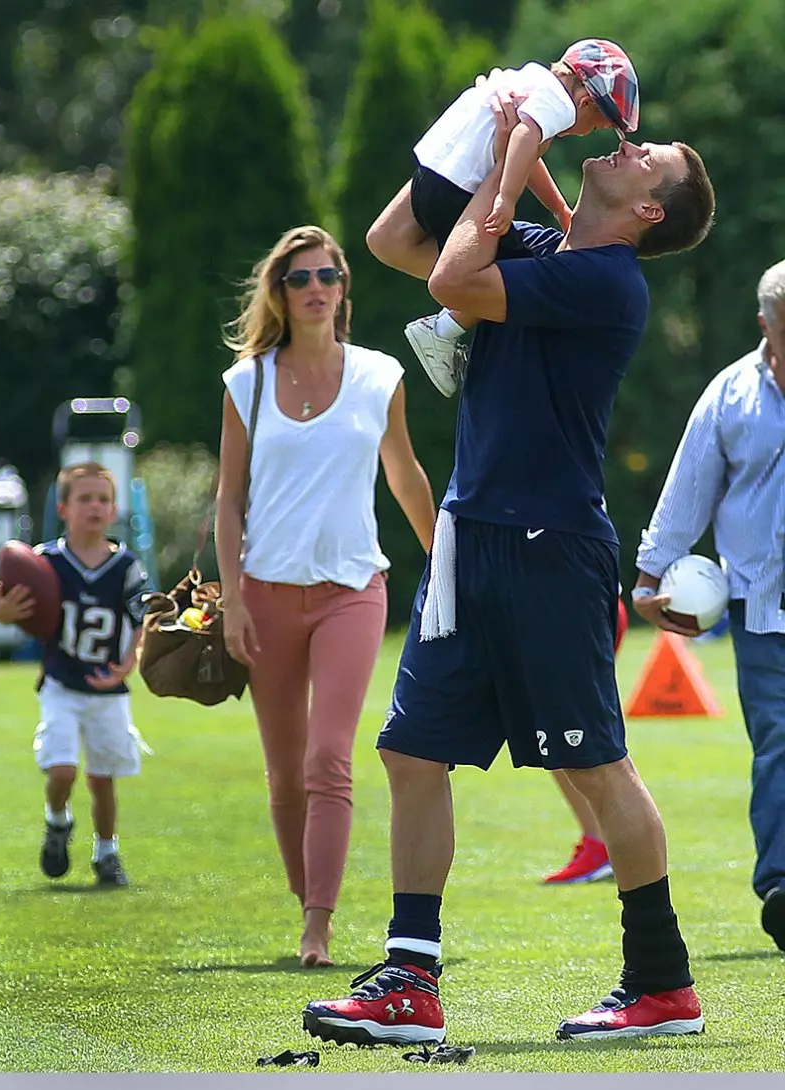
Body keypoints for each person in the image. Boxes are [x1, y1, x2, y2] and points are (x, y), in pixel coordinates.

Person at [303, 103, 715, 1044]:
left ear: (650, 211)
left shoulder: (608, 282)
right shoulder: (551, 250)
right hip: (472, 536)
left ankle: (662, 984)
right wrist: (492, 126)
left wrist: (527, 141)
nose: (626, 146)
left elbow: (453, 276)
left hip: (547, 547)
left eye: (646, 156)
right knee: (411, 752)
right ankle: (411, 979)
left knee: (598, 766)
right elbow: (393, 237)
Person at [214, 225, 436, 969]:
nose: (316, 289)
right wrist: (234, 600)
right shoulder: (246, 380)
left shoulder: (379, 375)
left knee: (329, 758)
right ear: (279, 292)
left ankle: (319, 925)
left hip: (352, 589)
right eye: (300, 278)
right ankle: (305, 894)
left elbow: (404, 475)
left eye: (328, 276)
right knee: (284, 774)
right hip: (265, 595)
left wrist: (447, 562)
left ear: (344, 289)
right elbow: (227, 497)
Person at [632, 258, 785, 954]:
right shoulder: (731, 396)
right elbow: (687, 486)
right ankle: (782, 886)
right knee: (778, 744)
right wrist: (648, 575)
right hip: (762, 609)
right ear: (766, 327)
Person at [366, 39, 639, 398]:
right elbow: (523, 140)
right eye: (597, 126)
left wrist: (559, 208)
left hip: (432, 175)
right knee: (515, 272)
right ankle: (441, 330)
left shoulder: (528, 79)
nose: (588, 132)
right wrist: (506, 199)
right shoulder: (560, 104)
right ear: (586, 102)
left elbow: (524, 154)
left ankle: (455, 310)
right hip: (457, 192)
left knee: (492, 271)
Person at [0, 462, 150, 887]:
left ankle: (107, 852)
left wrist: (129, 662)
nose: (94, 507)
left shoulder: (126, 565)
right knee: (61, 770)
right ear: (63, 508)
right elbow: (6, 606)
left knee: (103, 780)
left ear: (114, 509)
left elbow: (140, 620)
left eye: (103, 499)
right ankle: (57, 820)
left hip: (107, 688)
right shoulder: (45, 561)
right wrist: (1, 613)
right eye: (84, 498)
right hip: (61, 682)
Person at [544, 595, 628, 885]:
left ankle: (603, 846)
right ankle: (604, 843)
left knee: (562, 732)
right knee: (552, 731)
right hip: (578, 604)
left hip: (572, 607)